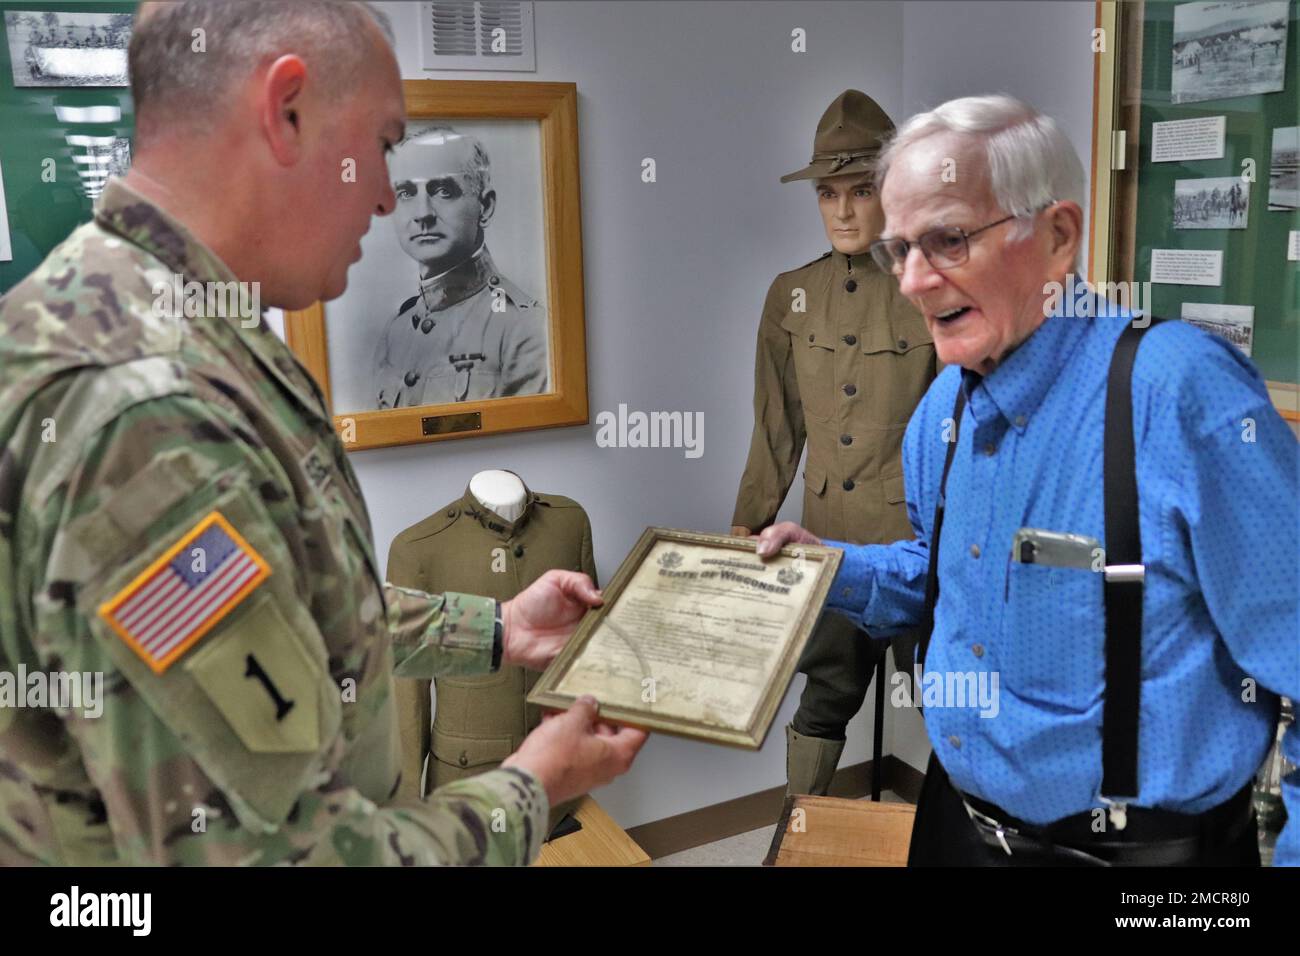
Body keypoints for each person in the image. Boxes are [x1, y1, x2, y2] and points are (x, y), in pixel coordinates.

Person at [0, 0, 645, 866]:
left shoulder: (165, 320)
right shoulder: (145, 412)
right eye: (382, 146)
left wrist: (493, 629)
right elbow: (284, 857)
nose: (386, 198)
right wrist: (531, 786)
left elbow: (282, 605)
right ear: (287, 109)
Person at [757, 94, 1298, 866]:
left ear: (1058, 236)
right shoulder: (941, 406)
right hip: (954, 824)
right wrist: (827, 567)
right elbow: (937, 575)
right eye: (899, 249)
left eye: (947, 240)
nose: (913, 281)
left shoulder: (1180, 394)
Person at [730, 90, 936, 796]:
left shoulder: (930, 289)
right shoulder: (790, 296)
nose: (844, 211)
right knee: (822, 699)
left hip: (914, 545)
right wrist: (749, 527)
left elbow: (960, 430)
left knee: (947, 703)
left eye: (862, 190)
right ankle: (799, 834)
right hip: (827, 546)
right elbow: (776, 426)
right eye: (828, 193)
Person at [372, 126, 548, 409]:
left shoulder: (525, 329)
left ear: (485, 207)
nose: (423, 214)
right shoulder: (397, 331)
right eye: (405, 193)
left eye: (443, 191)